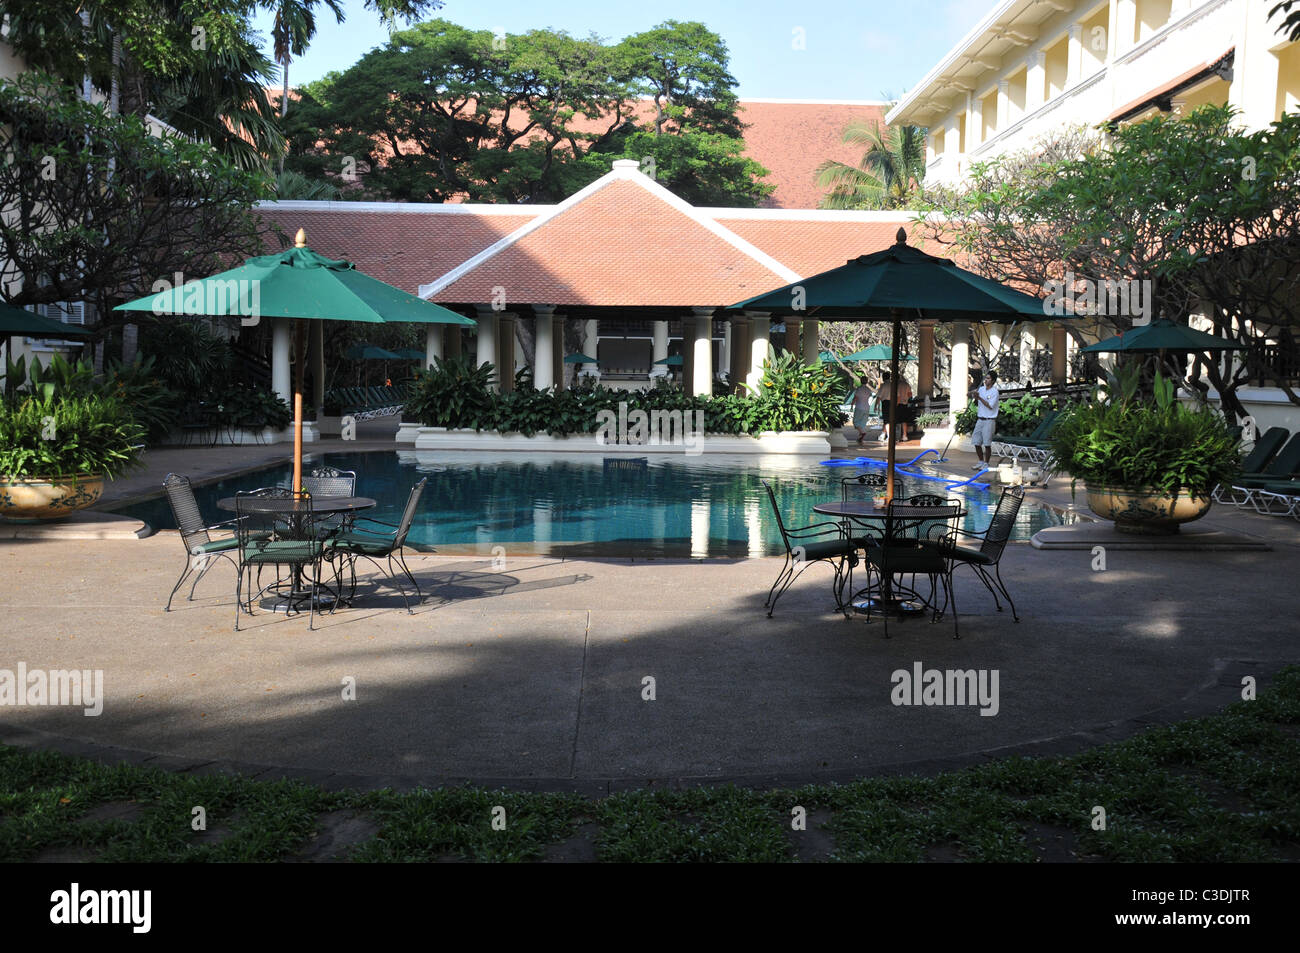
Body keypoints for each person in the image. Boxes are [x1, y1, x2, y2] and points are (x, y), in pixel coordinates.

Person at [972, 370, 1000, 469]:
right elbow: (970, 394)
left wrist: (979, 398)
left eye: (988, 378)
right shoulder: (981, 389)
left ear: (992, 381)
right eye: (985, 378)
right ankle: (980, 461)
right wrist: (972, 393)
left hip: (989, 420)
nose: (986, 380)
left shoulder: (994, 392)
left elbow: (990, 406)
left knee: (987, 444)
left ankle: (986, 463)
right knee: (976, 442)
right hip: (980, 419)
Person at [876, 371, 913, 442]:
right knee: (903, 420)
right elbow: (910, 395)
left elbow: (896, 395)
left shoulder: (894, 385)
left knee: (889, 420)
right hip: (904, 404)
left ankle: (888, 435)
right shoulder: (906, 384)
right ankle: (904, 435)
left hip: (895, 404)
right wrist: (906, 398)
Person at [850, 378, 874, 444]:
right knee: (862, 424)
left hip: (859, 407)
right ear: (866, 381)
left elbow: (856, 397)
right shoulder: (868, 389)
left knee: (856, 422)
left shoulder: (859, 389)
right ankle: (860, 438)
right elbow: (870, 397)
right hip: (867, 407)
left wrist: (852, 404)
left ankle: (862, 433)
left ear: (861, 381)